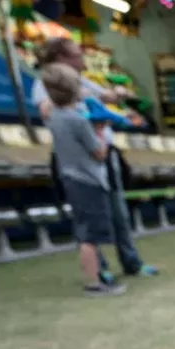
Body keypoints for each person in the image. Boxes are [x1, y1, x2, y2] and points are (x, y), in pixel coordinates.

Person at [32, 37, 157, 278]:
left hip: (104, 153)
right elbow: (47, 109)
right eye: (76, 56)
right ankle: (99, 270)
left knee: (117, 211)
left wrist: (118, 93)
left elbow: (108, 97)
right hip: (79, 159)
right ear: (61, 59)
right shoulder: (47, 84)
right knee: (87, 218)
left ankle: (130, 261)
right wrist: (75, 97)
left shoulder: (83, 81)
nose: (81, 60)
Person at [40, 65, 126, 298]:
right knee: (90, 236)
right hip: (88, 179)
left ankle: (97, 277)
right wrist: (101, 130)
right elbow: (99, 153)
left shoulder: (54, 117)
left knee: (85, 231)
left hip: (70, 177)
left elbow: (48, 108)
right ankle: (93, 282)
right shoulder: (77, 121)